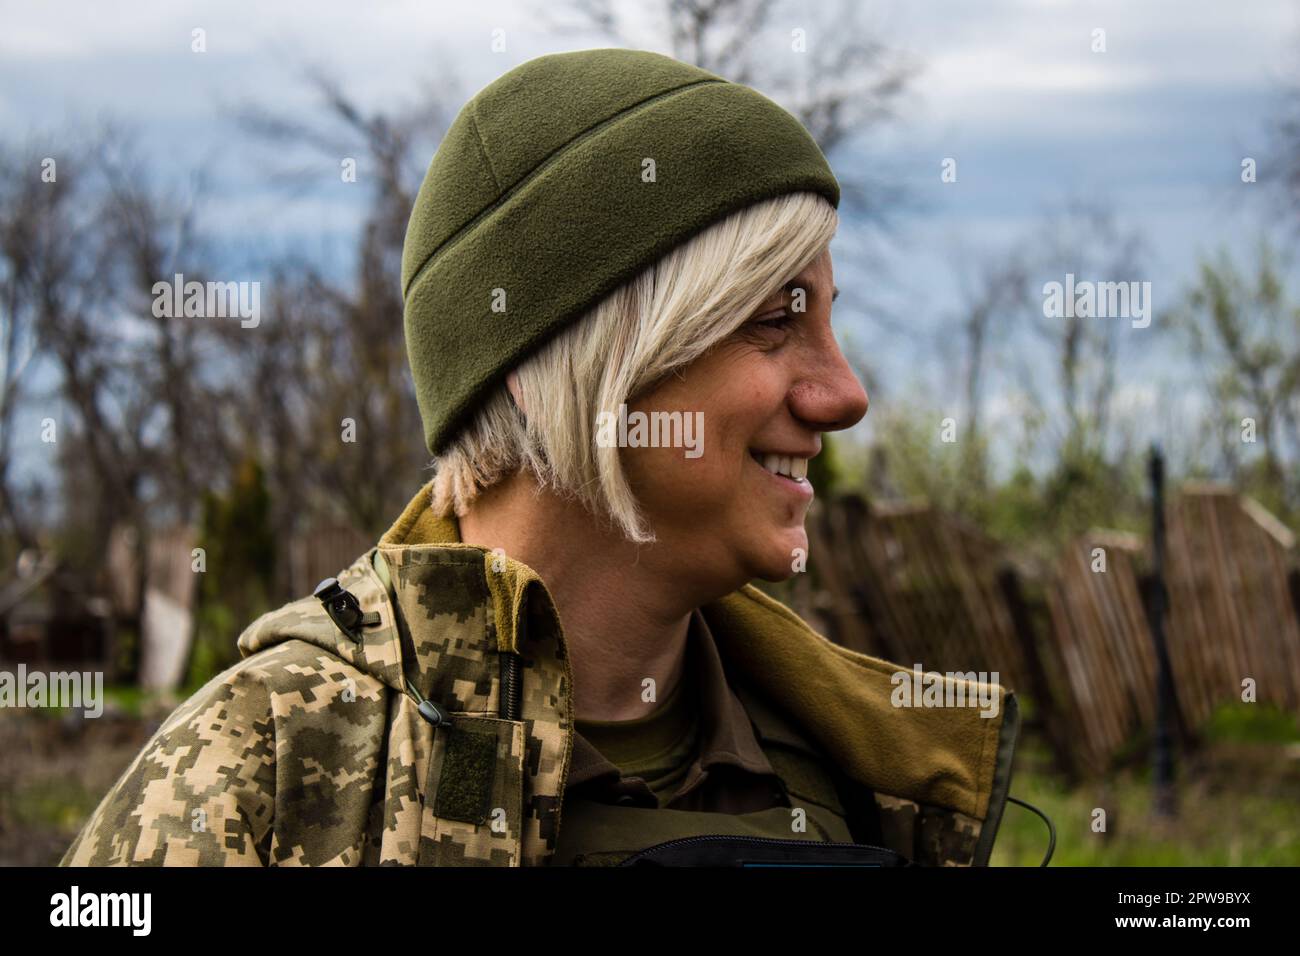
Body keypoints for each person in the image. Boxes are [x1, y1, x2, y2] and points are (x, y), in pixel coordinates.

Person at [61, 47, 1019, 867]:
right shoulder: (258, 772)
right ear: (562, 363)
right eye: (774, 322)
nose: (845, 395)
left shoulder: (864, 775)